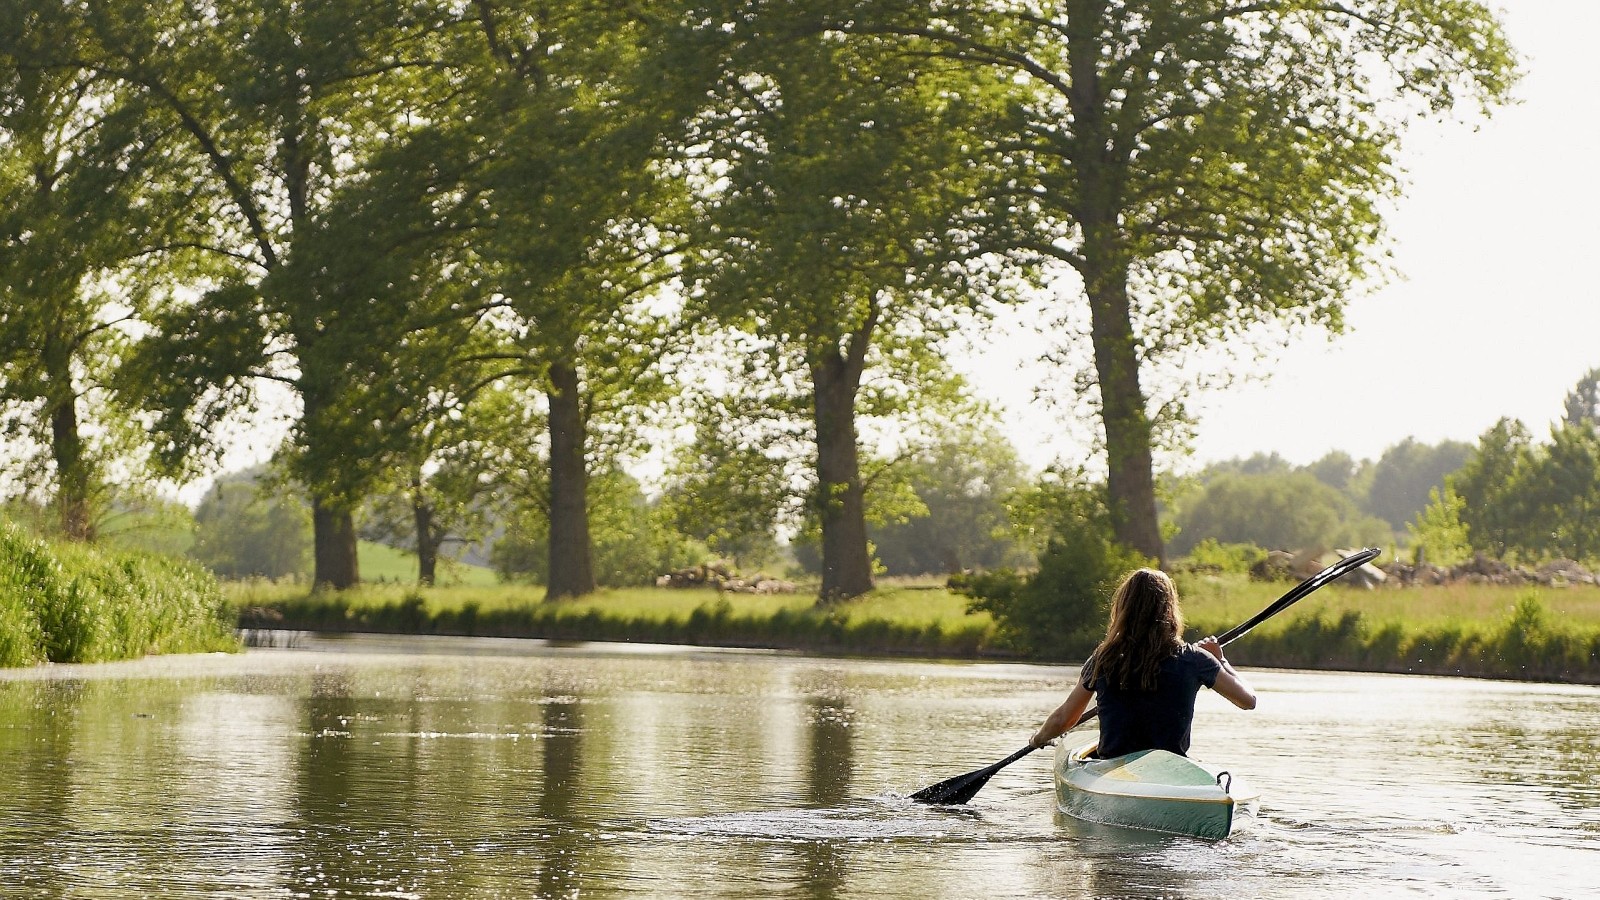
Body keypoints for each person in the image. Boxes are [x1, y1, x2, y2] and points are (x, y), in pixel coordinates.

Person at [1028, 567, 1256, 757]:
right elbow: (1248, 700)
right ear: (1169, 609)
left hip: (1114, 766)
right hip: (1168, 768)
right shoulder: (1195, 659)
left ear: (1124, 608)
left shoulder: (1104, 657)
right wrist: (1221, 660)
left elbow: (1064, 718)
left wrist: (1037, 739)